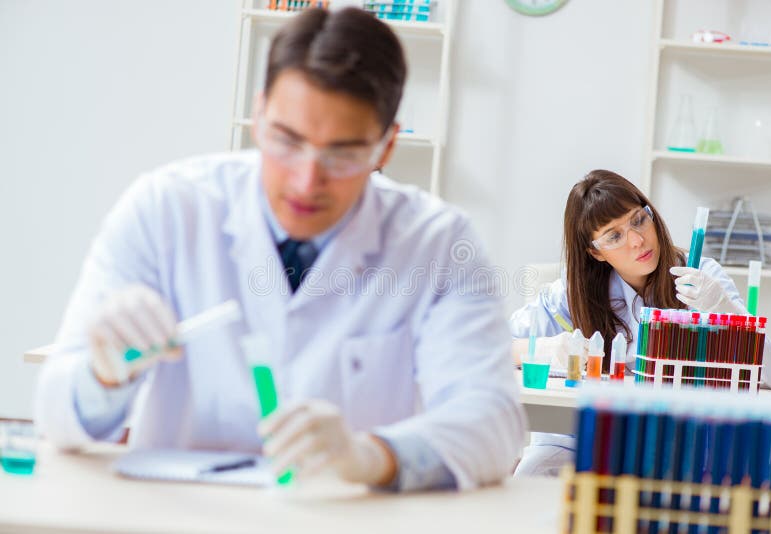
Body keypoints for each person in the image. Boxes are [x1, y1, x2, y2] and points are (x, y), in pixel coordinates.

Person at [34, 7, 525, 492]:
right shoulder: (165, 208)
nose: (306, 180)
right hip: (182, 520)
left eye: (344, 154)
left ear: (386, 147)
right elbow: (56, 418)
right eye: (286, 140)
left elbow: (494, 424)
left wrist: (372, 455)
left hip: (341, 523)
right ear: (259, 113)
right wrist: (103, 376)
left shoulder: (437, 242)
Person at [509, 169, 771, 476]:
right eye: (614, 236)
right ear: (595, 252)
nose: (638, 240)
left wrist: (723, 308)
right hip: (583, 443)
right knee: (532, 475)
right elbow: (488, 348)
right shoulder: (574, 293)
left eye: (639, 220)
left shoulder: (702, 277)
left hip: (673, 448)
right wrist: (543, 349)